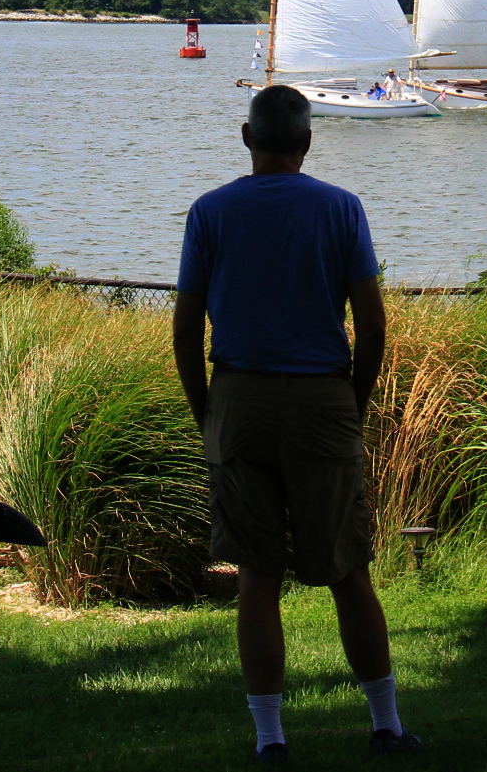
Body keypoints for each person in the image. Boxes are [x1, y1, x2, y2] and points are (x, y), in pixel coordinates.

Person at [173, 85, 422, 762]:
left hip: (239, 400)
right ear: (307, 143)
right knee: (347, 568)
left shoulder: (209, 212)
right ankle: (386, 724)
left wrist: (209, 415)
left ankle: (270, 738)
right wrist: (355, 400)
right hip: (322, 401)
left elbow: (185, 327)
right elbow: (370, 324)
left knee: (257, 573)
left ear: (247, 138)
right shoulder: (340, 208)